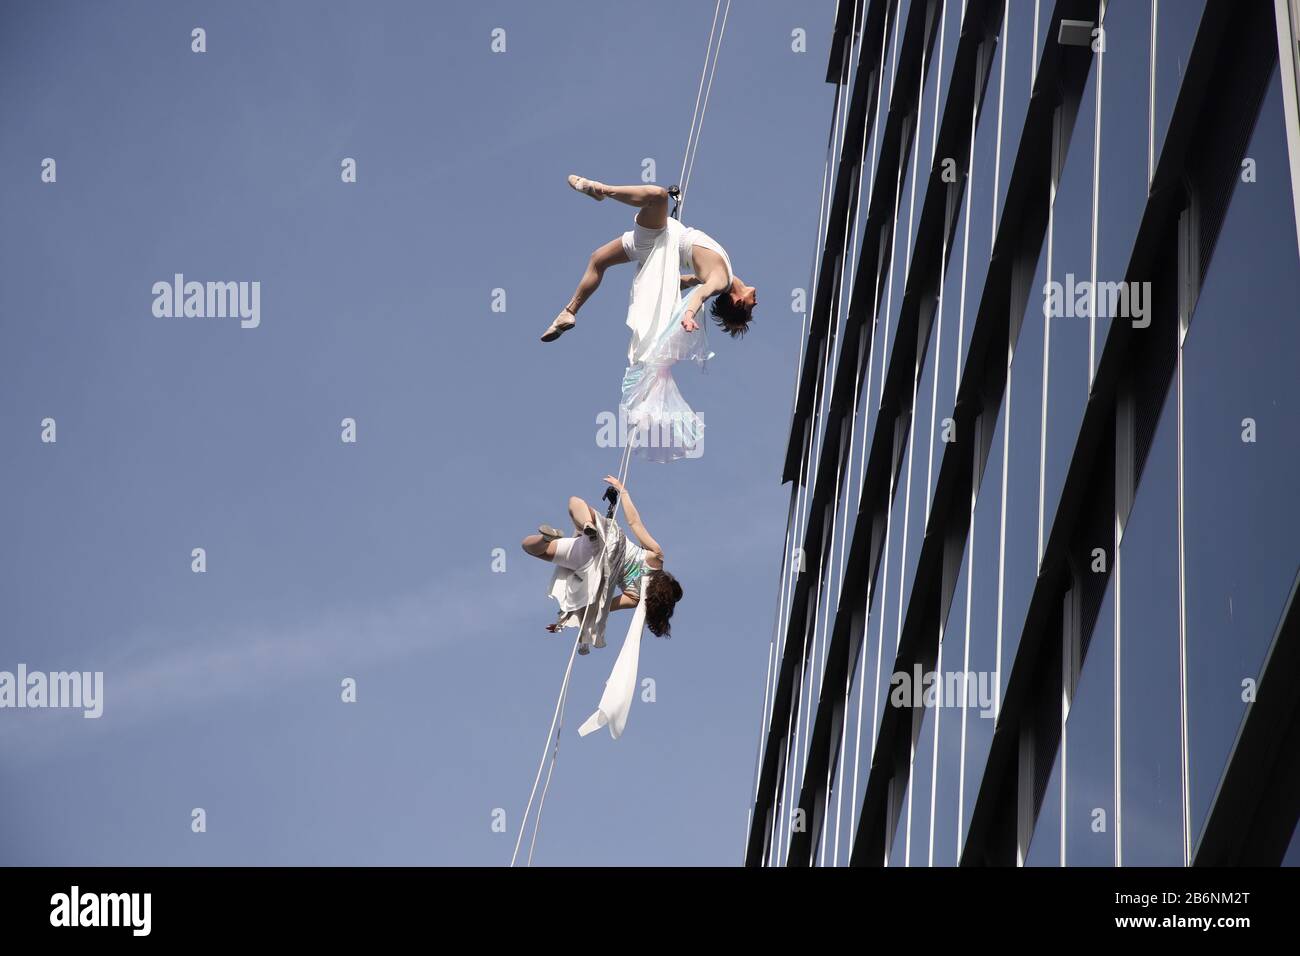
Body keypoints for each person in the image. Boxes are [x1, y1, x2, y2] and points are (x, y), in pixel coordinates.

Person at [540, 175, 758, 347]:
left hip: (657, 238)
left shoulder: (720, 280)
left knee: (658, 195)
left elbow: (700, 295)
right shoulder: (721, 277)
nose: (755, 303)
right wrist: (674, 283)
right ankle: (567, 313)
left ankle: (601, 190)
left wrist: (689, 314)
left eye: (749, 309)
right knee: (598, 259)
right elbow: (684, 283)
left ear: (737, 301)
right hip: (657, 244)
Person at [520, 475, 683, 653]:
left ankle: (588, 526)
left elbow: (634, 523)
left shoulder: (656, 558)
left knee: (575, 503)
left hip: (608, 539)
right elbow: (599, 607)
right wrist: (565, 621)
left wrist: (623, 492)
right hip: (592, 563)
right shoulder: (636, 598)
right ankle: (546, 538)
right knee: (530, 547)